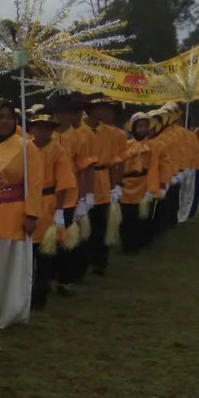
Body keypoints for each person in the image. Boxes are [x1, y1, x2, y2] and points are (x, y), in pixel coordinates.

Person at [0, 98, 43, 328]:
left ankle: (7, 311)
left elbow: (34, 183)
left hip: (12, 214)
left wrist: (32, 214)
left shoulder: (26, 146)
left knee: (7, 268)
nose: (4, 122)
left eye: (9, 117)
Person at [27, 111, 77, 310]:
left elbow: (64, 183)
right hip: (27, 200)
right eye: (39, 126)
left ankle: (40, 295)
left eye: (47, 127)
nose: (43, 131)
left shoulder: (58, 151)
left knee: (45, 253)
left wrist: (59, 212)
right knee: (26, 253)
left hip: (48, 203)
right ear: (33, 128)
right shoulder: (25, 148)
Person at [51, 94, 94, 295]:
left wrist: (84, 198)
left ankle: (65, 279)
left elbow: (85, 169)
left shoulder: (80, 137)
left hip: (69, 195)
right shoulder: (43, 136)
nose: (60, 117)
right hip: (46, 197)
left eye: (65, 113)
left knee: (67, 239)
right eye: (57, 112)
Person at [82, 96, 127, 276]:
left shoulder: (110, 133)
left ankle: (99, 260)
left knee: (100, 223)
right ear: (94, 109)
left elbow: (118, 161)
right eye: (105, 108)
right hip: (82, 179)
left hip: (102, 179)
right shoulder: (79, 131)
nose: (109, 113)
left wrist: (116, 185)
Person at [118, 112, 162, 254]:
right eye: (139, 126)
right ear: (133, 128)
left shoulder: (153, 146)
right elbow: (118, 163)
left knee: (140, 216)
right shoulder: (126, 144)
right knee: (126, 216)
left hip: (143, 184)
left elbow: (154, 168)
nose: (142, 129)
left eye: (145, 126)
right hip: (126, 184)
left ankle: (138, 243)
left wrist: (151, 189)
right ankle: (126, 244)